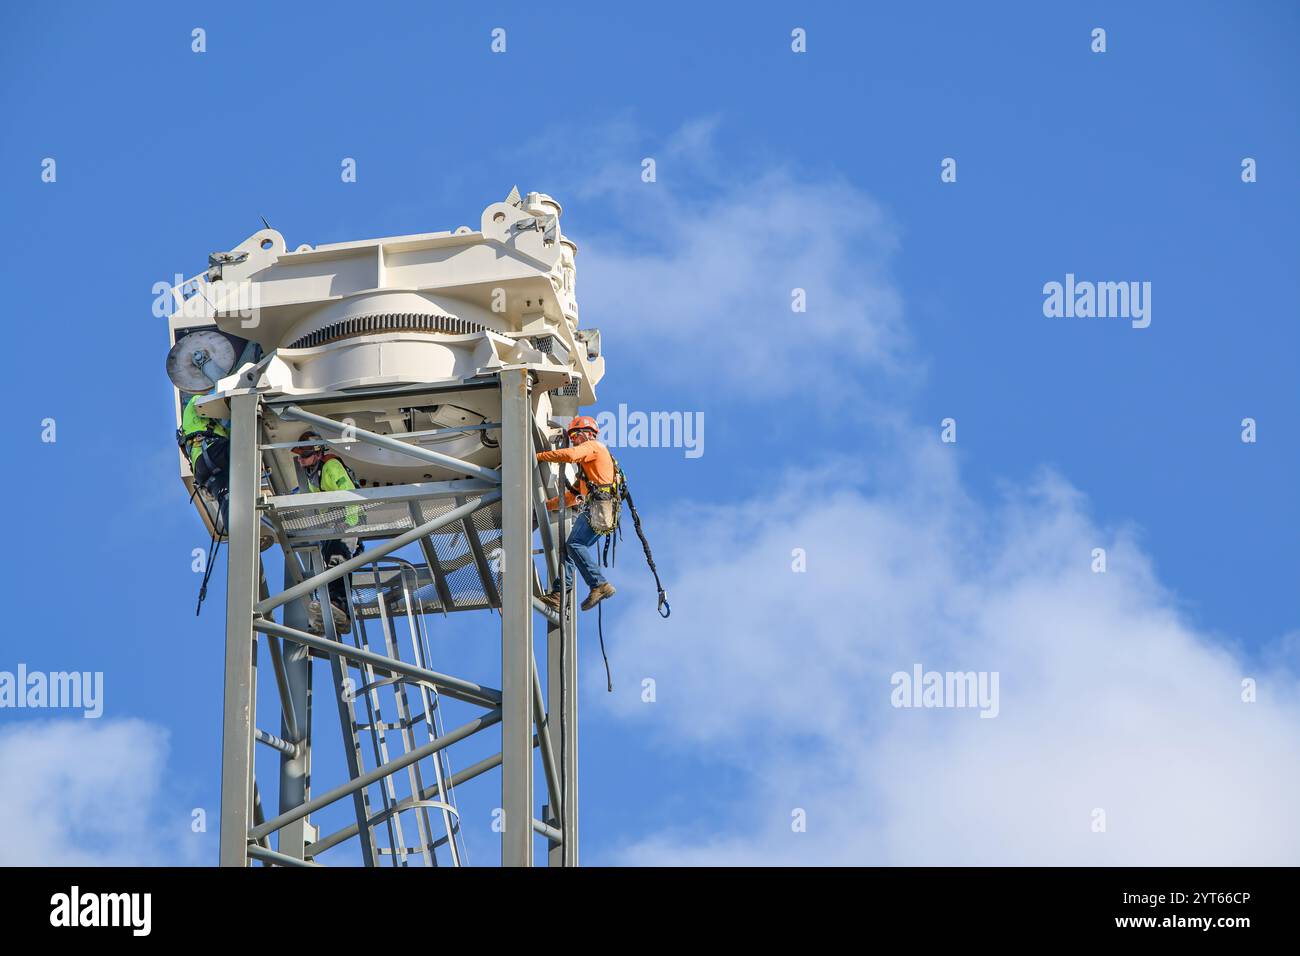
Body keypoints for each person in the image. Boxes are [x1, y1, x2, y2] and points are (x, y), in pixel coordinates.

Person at [535, 415, 617, 612]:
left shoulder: (594, 446)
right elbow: (571, 498)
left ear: (587, 434)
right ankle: (559, 594)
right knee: (570, 549)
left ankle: (599, 584)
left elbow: (571, 455)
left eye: (575, 436)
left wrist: (537, 456)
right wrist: (544, 507)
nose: (573, 440)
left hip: (599, 507)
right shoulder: (587, 471)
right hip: (601, 508)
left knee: (574, 544)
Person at [291, 431, 362, 634]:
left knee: (337, 561)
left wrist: (349, 523)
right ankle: (330, 610)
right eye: (300, 457)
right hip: (330, 526)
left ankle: (338, 605)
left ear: (317, 451)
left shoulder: (330, 466)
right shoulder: (313, 475)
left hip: (346, 522)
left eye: (304, 456)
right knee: (329, 564)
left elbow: (350, 492)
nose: (301, 461)